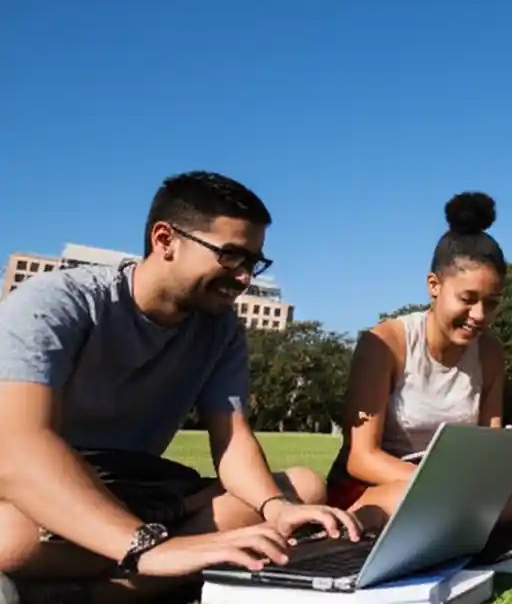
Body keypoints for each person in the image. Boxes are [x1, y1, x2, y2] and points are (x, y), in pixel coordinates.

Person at [0, 171, 361, 604]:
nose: (245, 277)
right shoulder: (57, 302)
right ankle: (149, 566)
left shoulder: (221, 329)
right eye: (230, 256)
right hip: (51, 485)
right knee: (12, 538)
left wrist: (276, 508)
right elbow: (18, 446)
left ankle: (96, 592)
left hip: (144, 488)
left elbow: (232, 437)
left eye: (253, 262)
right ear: (165, 239)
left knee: (302, 489)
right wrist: (146, 546)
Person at [325, 192, 512, 552]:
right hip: (387, 481)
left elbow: (492, 443)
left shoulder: (490, 352)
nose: (479, 316)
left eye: (492, 304)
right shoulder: (387, 342)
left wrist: (469, 487)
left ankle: (459, 528)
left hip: (458, 483)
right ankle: (474, 528)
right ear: (434, 286)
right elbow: (362, 458)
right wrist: (439, 489)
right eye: (468, 299)